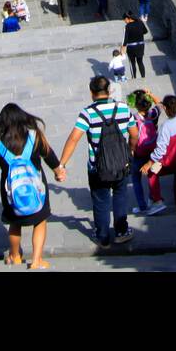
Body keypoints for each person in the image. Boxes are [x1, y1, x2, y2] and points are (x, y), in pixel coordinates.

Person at [58, 76, 139, 247]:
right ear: (109, 91)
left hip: (97, 167)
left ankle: (102, 236)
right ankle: (121, 231)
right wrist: (131, 151)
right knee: (120, 196)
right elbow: (134, 134)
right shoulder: (124, 109)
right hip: (121, 163)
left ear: (91, 93)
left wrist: (62, 164)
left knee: (100, 200)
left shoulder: (87, 113)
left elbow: (73, 139)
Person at [0, 103, 63, 269]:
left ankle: (15, 256)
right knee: (40, 221)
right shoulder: (34, 136)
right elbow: (49, 155)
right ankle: (36, 260)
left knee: (15, 223)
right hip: (37, 189)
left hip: (11, 193)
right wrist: (58, 171)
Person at [129, 91, 161, 214]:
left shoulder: (133, 118)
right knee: (152, 176)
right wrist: (151, 94)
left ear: (136, 105)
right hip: (152, 151)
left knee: (136, 179)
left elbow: (133, 136)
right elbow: (160, 104)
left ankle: (142, 206)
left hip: (138, 152)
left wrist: (131, 149)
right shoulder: (153, 114)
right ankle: (154, 199)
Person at [122, 11, 148, 78]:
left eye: (124, 20)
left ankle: (134, 77)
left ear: (128, 18)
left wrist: (122, 49)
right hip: (140, 46)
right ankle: (143, 77)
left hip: (131, 47)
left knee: (132, 63)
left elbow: (125, 39)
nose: (124, 21)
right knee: (140, 62)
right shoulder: (140, 22)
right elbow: (145, 31)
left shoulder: (127, 26)